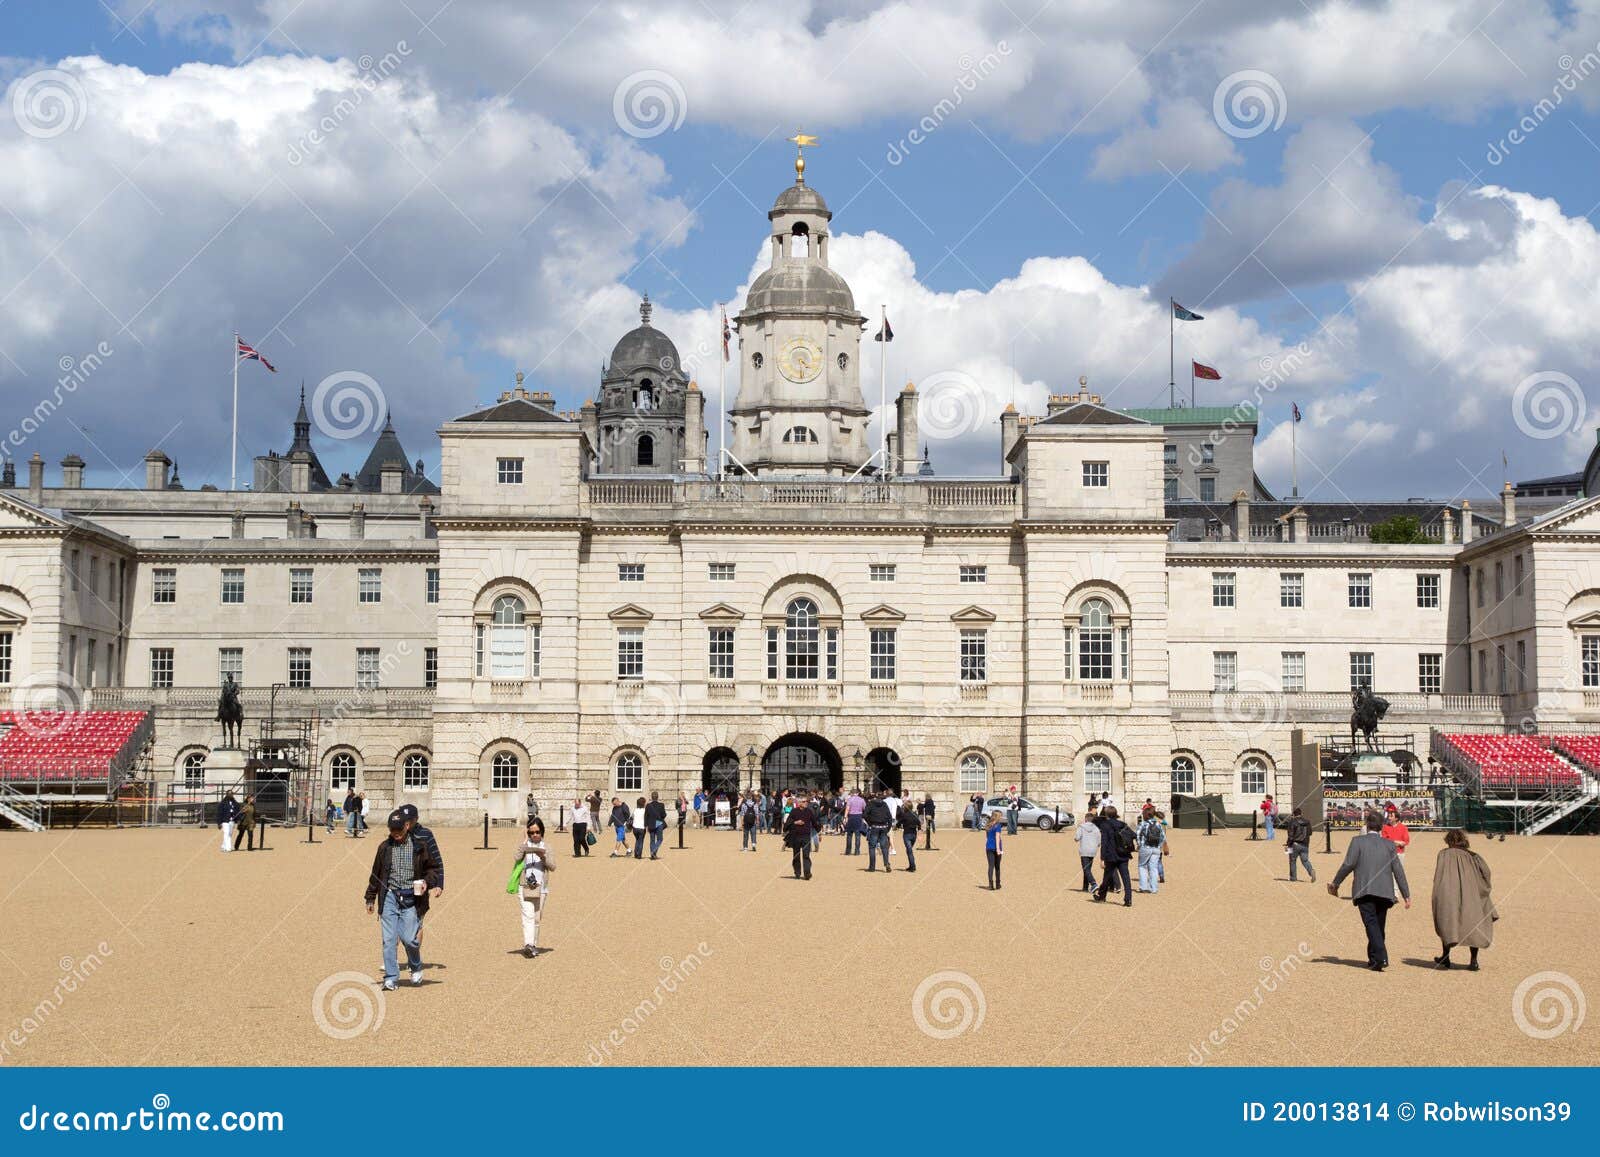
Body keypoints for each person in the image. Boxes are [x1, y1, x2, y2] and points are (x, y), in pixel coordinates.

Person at [364, 809, 441, 990]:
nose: (396, 833)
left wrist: (426, 882)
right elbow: (375, 875)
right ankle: (391, 977)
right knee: (389, 940)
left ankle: (415, 966)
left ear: (407, 826)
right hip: (390, 896)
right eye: (392, 830)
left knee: (410, 939)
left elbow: (433, 869)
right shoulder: (384, 847)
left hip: (412, 897)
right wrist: (370, 898)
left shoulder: (419, 845)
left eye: (399, 829)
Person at [1328, 810, 1412, 972]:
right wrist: (1406, 894)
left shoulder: (1357, 841)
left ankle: (1381, 956)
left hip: (1364, 889)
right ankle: (1374, 959)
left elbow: (1348, 865)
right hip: (1385, 891)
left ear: (1367, 825)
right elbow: (1398, 870)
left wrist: (1336, 883)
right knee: (1378, 926)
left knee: (1372, 924)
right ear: (1382, 827)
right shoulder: (1389, 844)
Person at [1432, 829, 1496, 970]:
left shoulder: (1443, 854)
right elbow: (1487, 872)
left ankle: (1445, 957)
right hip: (1471, 893)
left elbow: (1438, 875)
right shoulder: (1474, 856)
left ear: (1448, 840)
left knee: (1446, 922)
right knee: (1474, 924)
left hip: (1448, 893)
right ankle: (1473, 961)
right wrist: (1482, 887)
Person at [513, 817, 553, 958]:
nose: (534, 835)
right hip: (524, 886)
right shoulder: (525, 845)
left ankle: (533, 945)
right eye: (531, 833)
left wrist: (542, 857)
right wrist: (524, 841)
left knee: (536, 919)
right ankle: (528, 944)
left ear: (542, 831)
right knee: (527, 915)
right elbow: (516, 857)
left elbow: (553, 867)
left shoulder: (547, 846)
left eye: (537, 832)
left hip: (541, 887)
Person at [1093, 806, 1134, 906]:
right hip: (1123, 854)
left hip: (1111, 855)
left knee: (1107, 877)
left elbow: (1104, 842)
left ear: (1106, 814)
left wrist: (1102, 858)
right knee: (1126, 877)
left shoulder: (1105, 825)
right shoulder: (1122, 824)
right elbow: (1134, 835)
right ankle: (1128, 899)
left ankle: (1102, 896)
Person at [783, 793, 816, 880]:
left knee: (806, 855)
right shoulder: (794, 811)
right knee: (796, 855)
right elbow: (786, 825)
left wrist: (819, 831)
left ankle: (807, 873)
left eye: (807, 801)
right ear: (799, 803)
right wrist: (795, 822)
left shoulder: (809, 811)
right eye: (804, 801)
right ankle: (797, 872)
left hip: (806, 836)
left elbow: (815, 822)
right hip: (796, 837)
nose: (806, 803)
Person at [1135, 806, 1164, 893]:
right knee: (1153, 868)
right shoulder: (1159, 824)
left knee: (1142, 866)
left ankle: (1144, 887)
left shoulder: (1143, 824)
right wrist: (1159, 847)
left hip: (1145, 847)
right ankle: (1154, 888)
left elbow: (1138, 836)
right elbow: (1163, 837)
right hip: (1156, 848)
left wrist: (1139, 845)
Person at [864, 791, 894, 872]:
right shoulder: (884, 804)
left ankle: (872, 867)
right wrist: (888, 827)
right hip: (884, 827)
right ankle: (887, 863)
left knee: (872, 847)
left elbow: (865, 815)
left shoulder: (871, 804)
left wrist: (870, 823)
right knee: (884, 847)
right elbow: (889, 817)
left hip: (874, 826)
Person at [1284, 806, 1315, 883]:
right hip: (1305, 844)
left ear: (1293, 814)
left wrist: (1287, 845)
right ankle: (1311, 871)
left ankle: (1293, 878)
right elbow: (1310, 833)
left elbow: (1290, 835)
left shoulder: (1292, 822)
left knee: (1292, 860)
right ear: (1301, 814)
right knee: (1305, 860)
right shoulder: (1307, 821)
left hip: (1294, 844)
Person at [1074, 811, 1100, 892]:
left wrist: (1076, 838)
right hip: (1093, 850)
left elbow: (1077, 838)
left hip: (1084, 850)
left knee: (1086, 869)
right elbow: (1099, 842)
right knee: (1088, 869)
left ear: (1085, 819)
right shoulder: (1096, 828)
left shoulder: (1081, 827)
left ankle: (1093, 883)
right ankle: (1085, 887)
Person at [897, 796, 920, 872]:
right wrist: (919, 829)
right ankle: (911, 866)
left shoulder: (904, 815)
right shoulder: (915, 814)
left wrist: (896, 826)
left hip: (907, 834)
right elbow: (919, 823)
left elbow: (899, 823)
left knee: (909, 851)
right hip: (914, 834)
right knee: (909, 850)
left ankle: (913, 866)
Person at [645, 791, 668, 859]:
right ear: (657, 797)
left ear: (651, 797)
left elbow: (646, 816)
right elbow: (664, 815)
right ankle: (653, 851)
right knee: (660, 839)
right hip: (658, 823)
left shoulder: (648, 805)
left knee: (652, 840)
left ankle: (653, 854)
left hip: (651, 823)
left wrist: (646, 825)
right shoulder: (661, 805)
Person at [984, 810, 1004, 890]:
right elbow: (997, 837)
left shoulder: (988, 825)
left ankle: (990, 884)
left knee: (990, 866)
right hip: (996, 847)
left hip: (988, 847)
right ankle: (998, 884)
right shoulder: (997, 825)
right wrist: (998, 849)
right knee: (997, 866)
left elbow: (987, 837)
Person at [843, 789, 866, 855]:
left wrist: (845, 817)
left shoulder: (850, 800)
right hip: (858, 817)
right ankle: (857, 851)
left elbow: (847, 809)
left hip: (851, 817)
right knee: (858, 835)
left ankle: (848, 851)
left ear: (852, 793)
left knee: (849, 835)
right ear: (858, 793)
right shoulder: (862, 800)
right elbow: (864, 808)